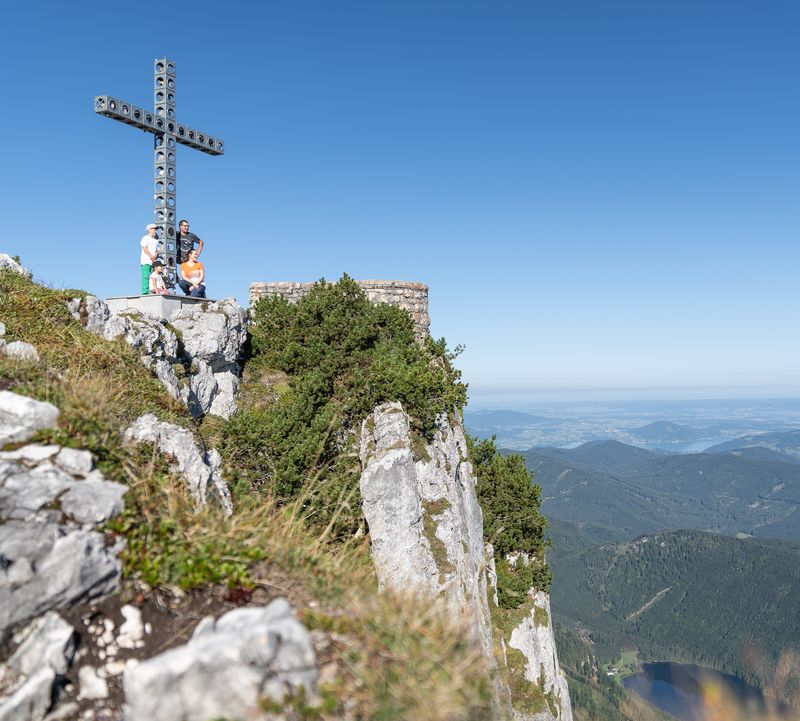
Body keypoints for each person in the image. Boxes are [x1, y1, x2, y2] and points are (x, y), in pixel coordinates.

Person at [140, 223, 159, 294]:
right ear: (149, 230)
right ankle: (145, 292)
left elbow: (157, 250)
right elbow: (145, 248)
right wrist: (151, 256)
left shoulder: (155, 240)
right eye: (154, 229)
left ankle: (153, 291)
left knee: (153, 277)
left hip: (153, 262)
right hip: (146, 261)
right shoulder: (145, 238)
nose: (155, 231)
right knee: (145, 277)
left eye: (155, 229)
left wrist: (155, 256)